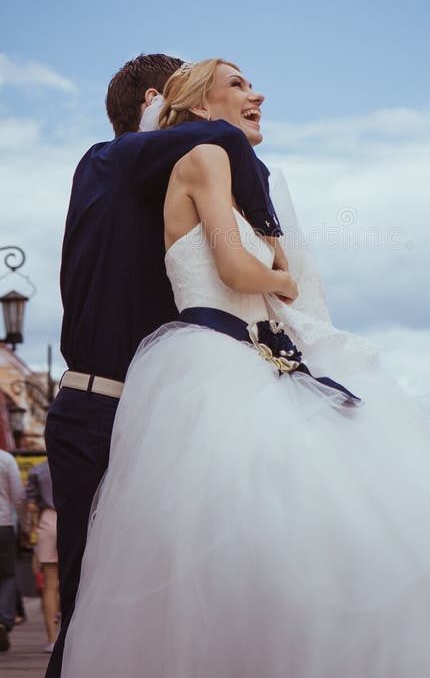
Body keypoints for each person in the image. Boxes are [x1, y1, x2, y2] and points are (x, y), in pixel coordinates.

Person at [63, 59, 430, 677]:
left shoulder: (231, 173)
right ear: (174, 103)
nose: (254, 93)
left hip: (243, 361)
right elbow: (245, 271)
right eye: (235, 83)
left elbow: (277, 286)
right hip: (186, 372)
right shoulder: (138, 161)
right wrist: (278, 271)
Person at [45, 54, 283, 678]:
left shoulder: (180, 185)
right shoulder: (109, 161)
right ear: (157, 102)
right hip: (105, 412)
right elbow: (225, 135)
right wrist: (267, 216)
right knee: (92, 616)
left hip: (173, 418)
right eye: (186, 95)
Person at [25, 460, 59, 652]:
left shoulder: (38, 470)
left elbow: (30, 506)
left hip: (47, 520)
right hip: (70, 518)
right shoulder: (73, 463)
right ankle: (66, 635)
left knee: (49, 586)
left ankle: (52, 639)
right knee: (71, 580)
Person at [0, 448, 25, 653]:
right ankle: (4, 619)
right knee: (7, 575)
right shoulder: (6, 459)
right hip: (3, 525)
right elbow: (18, 496)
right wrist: (25, 525)